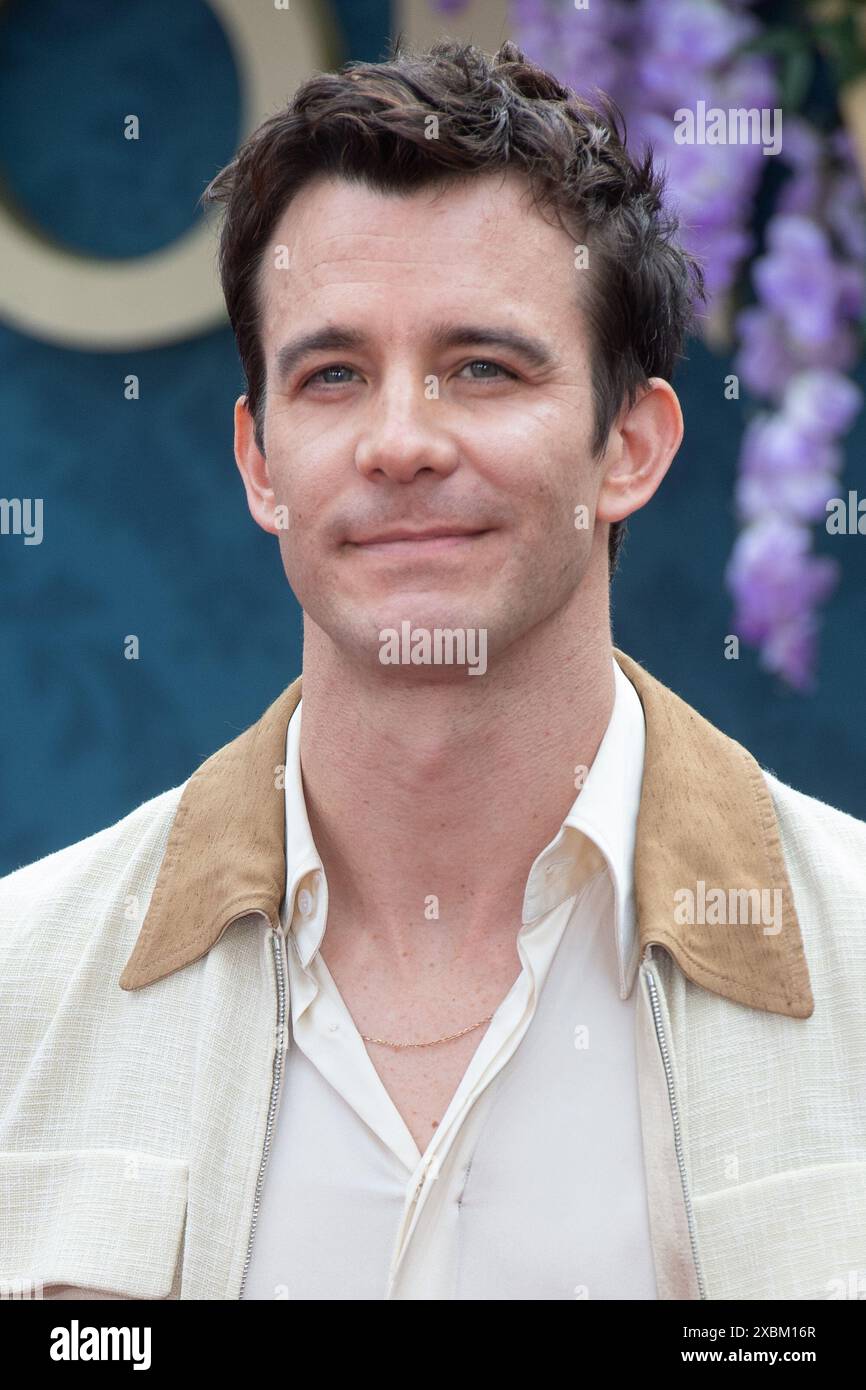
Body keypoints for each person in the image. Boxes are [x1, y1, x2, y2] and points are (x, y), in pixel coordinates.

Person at [2, 37, 866, 1303]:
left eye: (482, 367)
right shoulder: (22, 987)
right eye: (334, 374)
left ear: (629, 443)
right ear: (258, 460)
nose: (399, 443)